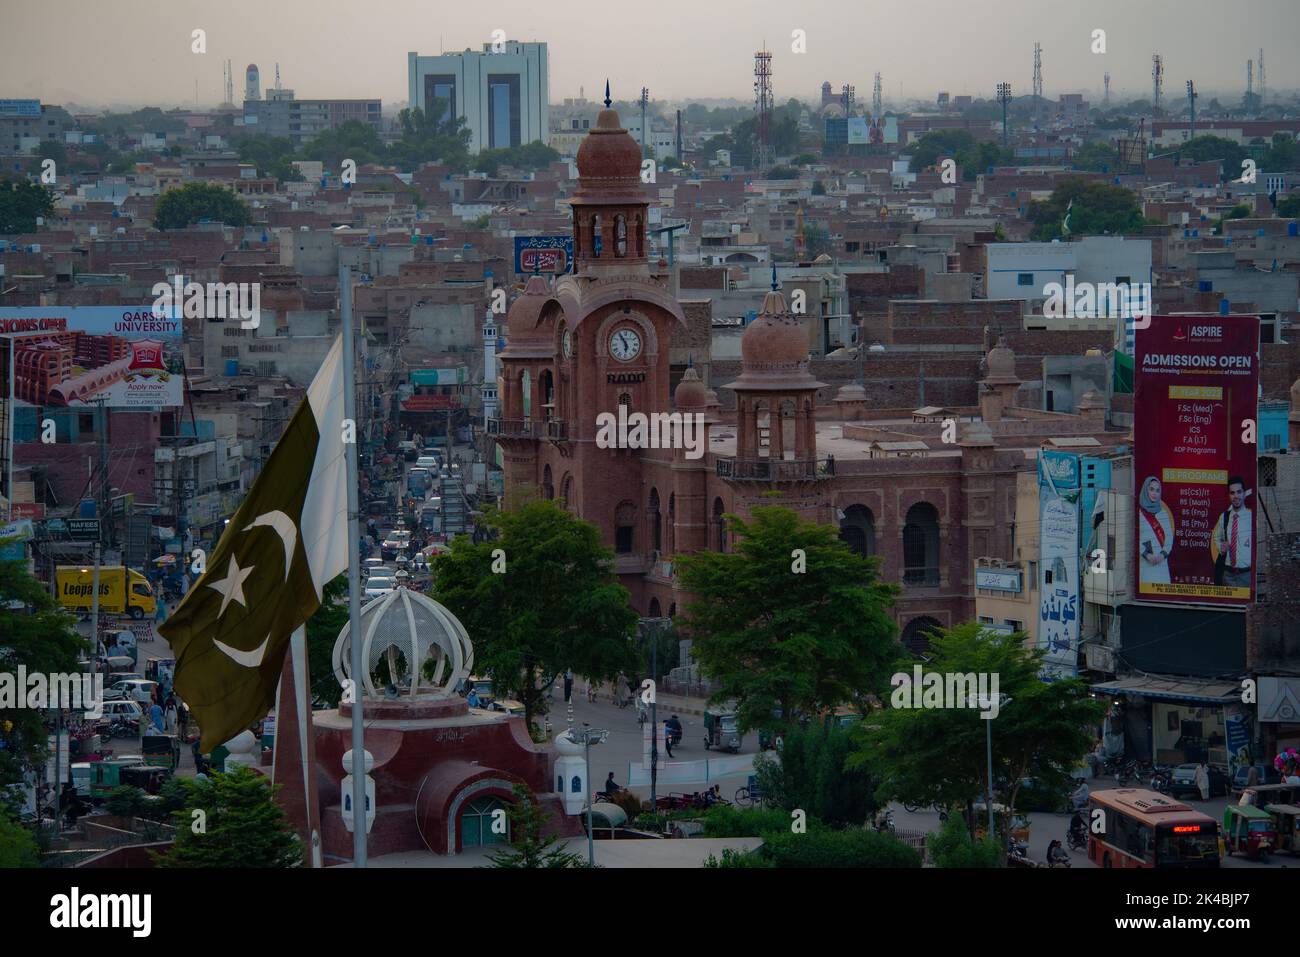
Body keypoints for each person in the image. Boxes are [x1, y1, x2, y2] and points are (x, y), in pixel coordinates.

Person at [1213, 476, 1253, 590]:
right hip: (1227, 575)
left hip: (1246, 576)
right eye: (1232, 493)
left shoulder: (1251, 518)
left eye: (1239, 492)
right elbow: (1216, 536)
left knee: (1245, 607)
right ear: (1229, 495)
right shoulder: (1224, 517)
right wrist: (1221, 547)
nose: (1236, 496)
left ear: (1244, 493)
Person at [1137, 476, 1174, 586]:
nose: (1154, 493)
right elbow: (1134, 538)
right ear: (1146, 490)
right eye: (1151, 489)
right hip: (1145, 565)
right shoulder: (1138, 514)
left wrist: (1162, 555)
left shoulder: (1163, 513)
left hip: (1162, 565)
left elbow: (1169, 537)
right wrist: (1147, 555)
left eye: (1157, 490)